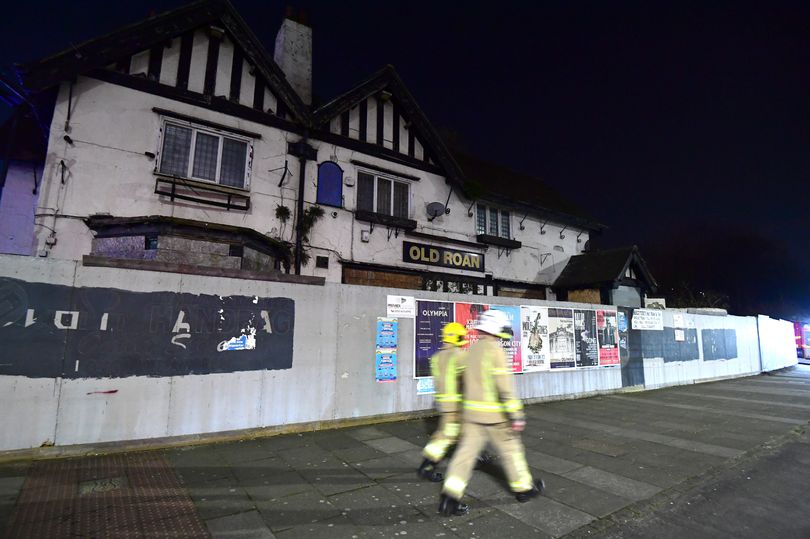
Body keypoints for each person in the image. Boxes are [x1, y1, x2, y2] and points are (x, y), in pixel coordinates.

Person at [438, 309, 544, 516]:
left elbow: (461, 382)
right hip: (495, 417)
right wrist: (516, 415)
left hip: (471, 415)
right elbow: (504, 387)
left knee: (464, 456)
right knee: (512, 452)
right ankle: (524, 489)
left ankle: (449, 498)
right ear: (496, 329)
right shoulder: (496, 351)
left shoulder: (470, 351)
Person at [417, 322, 468, 482]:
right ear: (456, 337)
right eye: (461, 336)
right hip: (456, 405)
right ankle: (426, 466)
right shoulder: (459, 355)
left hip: (444, 403)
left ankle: (477, 456)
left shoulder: (437, 357)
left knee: (452, 434)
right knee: (446, 436)